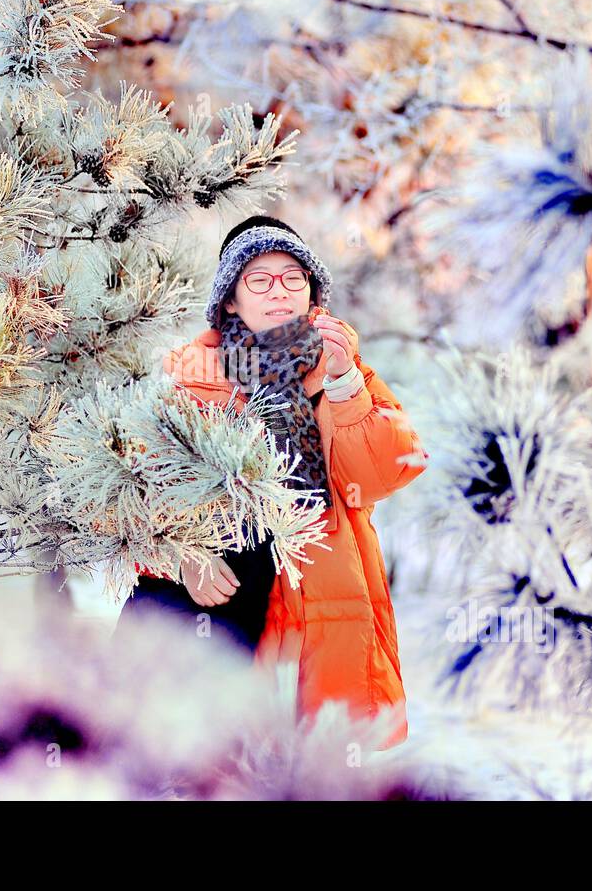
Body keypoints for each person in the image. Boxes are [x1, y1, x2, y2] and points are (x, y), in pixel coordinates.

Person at [118, 215, 427, 749]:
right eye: (258, 280)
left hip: (314, 597)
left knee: (296, 763)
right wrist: (179, 558)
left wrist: (345, 382)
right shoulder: (190, 377)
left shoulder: (343, 368)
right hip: (214, 604)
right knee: (186, 758)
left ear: (312, 292)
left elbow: (382, 473)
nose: (278, 291)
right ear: (231, 301)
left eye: (293, 278)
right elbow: (130, 494)